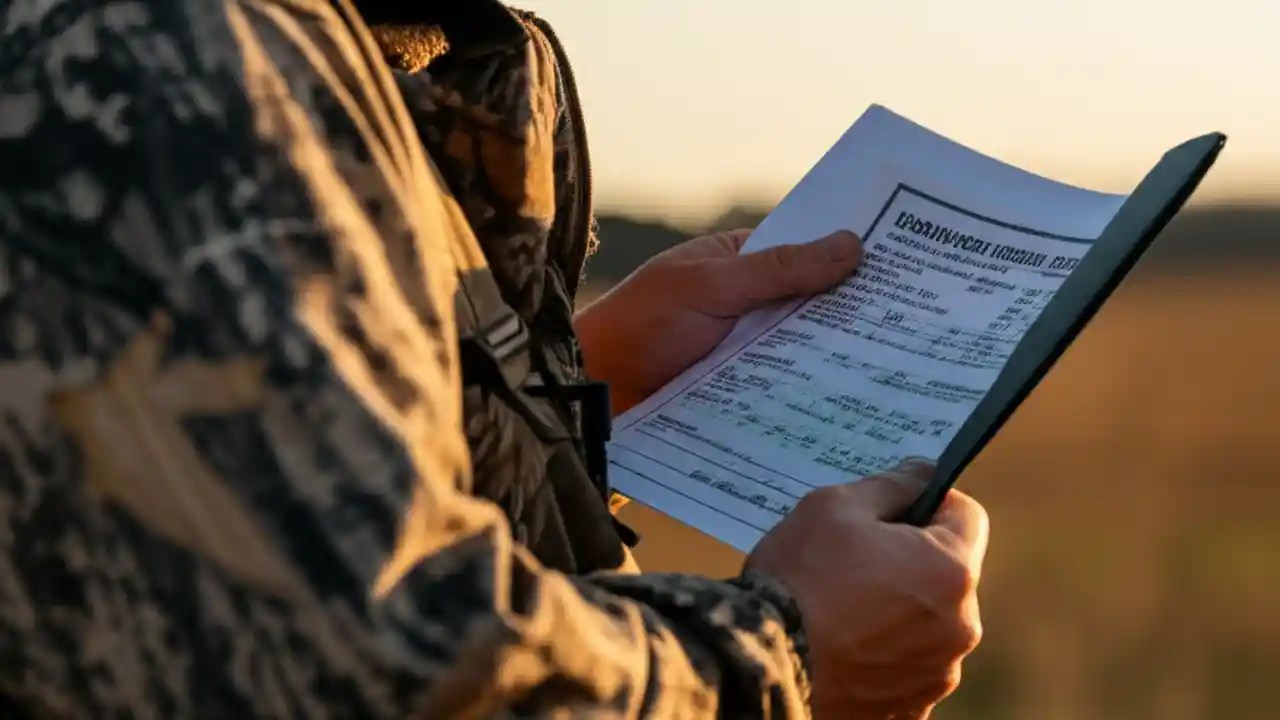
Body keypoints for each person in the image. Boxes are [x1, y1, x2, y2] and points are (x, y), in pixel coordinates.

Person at [0, 0, 988, 717]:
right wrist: (787, 653)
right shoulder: (169, 50)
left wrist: (590, 381)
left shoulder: (360, 46)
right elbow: (365, 674)